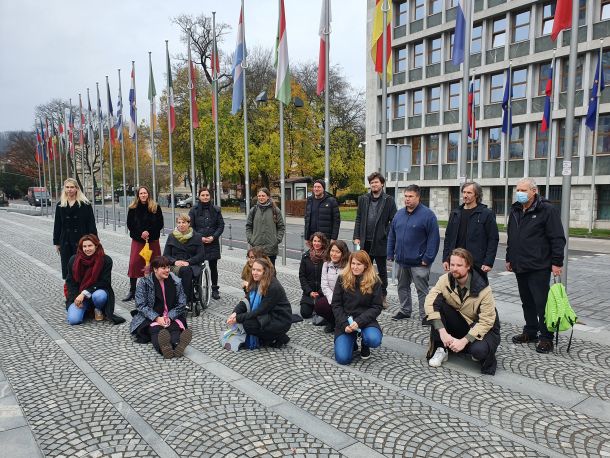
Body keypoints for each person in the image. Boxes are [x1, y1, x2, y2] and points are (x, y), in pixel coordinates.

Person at [506, 177, 566, 354]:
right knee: (527, 302)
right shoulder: (516, 209)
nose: (520, 193)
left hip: (539, 265)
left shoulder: (547, 210)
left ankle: (546, 337)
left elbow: (557, 238)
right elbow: (512, 235)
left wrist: (557, 262)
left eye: (524, 190)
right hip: (520, 264)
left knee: (542, 303)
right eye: (518, 189)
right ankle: (530, 331)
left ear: (534, 191)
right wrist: (510, 257)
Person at [425, 248, 501, 375]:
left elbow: (486, 321)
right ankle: (441, 348)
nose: (454, 268)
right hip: (460, 321)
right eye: (452, 264)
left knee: (478, 351)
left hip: (482, 327)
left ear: (468, 266)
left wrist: (464, 340)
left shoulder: (483, 288)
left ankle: (465, 346)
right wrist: (442, 332)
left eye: (459, 265)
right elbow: (429, 302)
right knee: (437, 306)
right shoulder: (444, 280)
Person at [387, 184, 440, 324]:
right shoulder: (399, 214)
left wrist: (427, 258)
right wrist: (390, 253)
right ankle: (405, 310)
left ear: (418, 197)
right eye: (406, 196)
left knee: (422, 290)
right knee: (402, 287)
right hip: (401, 260)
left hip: (419, 262)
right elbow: (392, 235)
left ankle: (426, 315)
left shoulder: (428, 215)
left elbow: (434, 239)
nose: (407, 199)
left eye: (411, 196)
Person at [129, 256, 192, 359]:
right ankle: (164, 350)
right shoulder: (144, 282)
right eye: (163, 268)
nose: (167, 270)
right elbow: (141, 305)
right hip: (151, 317)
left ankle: (177, 346)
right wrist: (157, 318)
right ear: (155, 269)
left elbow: (182, 303)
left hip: (171, 315)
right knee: (156, 330)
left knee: (174, 328)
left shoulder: (176, 282)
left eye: (168, 267)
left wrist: (169, 317)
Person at [226, 257, 292, 348]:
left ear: (265, 271)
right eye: (253, 269)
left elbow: (260, 311)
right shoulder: (256, 281)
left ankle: (277, 336)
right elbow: (246, 300)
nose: (254, 273)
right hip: (268, 315)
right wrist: (235, 313)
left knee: (248, 325)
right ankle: (270, 337)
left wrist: (238, 318)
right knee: (245, 318)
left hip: (279, 319)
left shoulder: (273, 287)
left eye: (258, 270)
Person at [331, 250, 383, 364]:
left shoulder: (375, 281)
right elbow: (336, 304)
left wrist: (359, 322)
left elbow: (377, 306)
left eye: (359, 264)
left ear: (366, 265)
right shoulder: (342, 278)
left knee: (373, 340)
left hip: (366, 321)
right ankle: (352, 341)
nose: (355, 267)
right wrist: (345, 324)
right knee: (343, 359)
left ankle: (365, 344)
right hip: (346, 321)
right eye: (353, 263)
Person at [353, 172, 397, 301]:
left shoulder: (388, 200)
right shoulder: (363, 199)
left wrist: (384, 232)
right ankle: (364, 294)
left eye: (376, 182)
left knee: (382, 271)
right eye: (372, 183)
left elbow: (393, 220)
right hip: (364, 241)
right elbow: (358, 218)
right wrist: (356, 236)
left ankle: (382, 295)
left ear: (382, 184)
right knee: (364, 269)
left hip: (380, 242)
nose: (374, 184)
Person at [65, 234, 125, 325]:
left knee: (100, 295)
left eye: (90, 246)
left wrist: (84, 293)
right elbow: (70, 282)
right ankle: (87, 309)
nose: (87, 249)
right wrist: (75, 298)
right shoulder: (74, 260)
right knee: (74, 320)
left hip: (96, 291)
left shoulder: (105, 260)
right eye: (84, 246)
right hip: (79, 295)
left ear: (96, 246)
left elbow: (104, 282)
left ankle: (98, 309)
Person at [442, 181, 499, 276]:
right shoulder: (455, 213)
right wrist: (446, 259)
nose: (465, 195)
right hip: (456, 262)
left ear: (476, 195)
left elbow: (493, 239)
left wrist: (488, 262)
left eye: (469, 193)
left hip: (477, 263)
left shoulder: (486, 214)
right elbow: (448, 238)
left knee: (476, 289)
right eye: (464, 192)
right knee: (456, 289)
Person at [124, 186, 164, 301]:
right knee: (134, 263)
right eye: (141, 193)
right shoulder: (133, 208)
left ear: (148, 194)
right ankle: (132, 290)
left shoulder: (156, 207)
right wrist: (141, 233)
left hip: (152, 240)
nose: (143, 195)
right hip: (138, 240)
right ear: (138, 195)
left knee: (155, 264)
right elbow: (130, 225)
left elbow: (160, 224)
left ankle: (157, 288)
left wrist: (149, 232)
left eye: (145, 193)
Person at [53, 178, 97, 279]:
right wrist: (57, 242)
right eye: (67, 187)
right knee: (68, 268)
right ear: (64, 189)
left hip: (82, 241)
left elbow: (91, 224)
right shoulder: (60, 205)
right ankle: (70, 291)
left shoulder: (85, 205)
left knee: (83, 268)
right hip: (66, 241)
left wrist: (95, 241)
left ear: (77, 188)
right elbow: (57, 225)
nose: (69, 189)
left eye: (72, 187)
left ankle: (83, 291)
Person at [189, 187, 225, 299]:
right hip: (199, 243)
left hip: (212, 242)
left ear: (210, 196)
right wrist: (200, 238)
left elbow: (221, 225)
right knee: (197, 266)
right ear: (199, 196)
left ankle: (215, 289)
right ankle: (196, 288)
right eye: (203, 195)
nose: (205, 197)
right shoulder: (193, 210)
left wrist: (214, 237)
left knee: (213, 266)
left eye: (207, 195)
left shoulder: (216, 209)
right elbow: (190, 227)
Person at [163, 214, 205, 306]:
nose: (181, 225)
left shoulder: (197, 237)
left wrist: (188, 262)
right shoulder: (171, 236)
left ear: (189, 224)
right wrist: (175, 261)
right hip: (174, 264)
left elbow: (201, 255)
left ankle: (184, 301)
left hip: (191, 264)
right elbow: (166, 255)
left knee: (185, 270)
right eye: (179, 222)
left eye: (184, 222)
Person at [246, 188, 285, 266]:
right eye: (259, 196)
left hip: (271, 249)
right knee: (257, 272)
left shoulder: (275, 210)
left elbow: (281, 227)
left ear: (268, 197)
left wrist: (276, 240)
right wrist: (251, 239)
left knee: (271, 273)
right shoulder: (253, 210)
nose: (261, 197)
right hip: (256, 248)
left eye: (263, 196)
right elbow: (248, 226)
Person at [319, 240, 350, 333]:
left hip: (345, 297)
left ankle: (341, 323)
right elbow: (324, 285)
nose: (334, 254)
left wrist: (339, 299)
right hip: (331, 296)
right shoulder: (326, 264)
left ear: (343, 253)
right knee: (320, 305)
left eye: (337, 252)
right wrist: (332, 298)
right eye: (332, 251)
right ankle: (332, 322)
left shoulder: (348, 265)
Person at [299, 232, 329, 319]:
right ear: (311, 242)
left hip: (322, 292)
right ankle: (313, 305)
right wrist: (309, 292)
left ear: (323, 242)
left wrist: (320, 292)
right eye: (314, 241)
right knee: (305, 313)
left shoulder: (327, 258)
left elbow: (328, 278)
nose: (316, 243)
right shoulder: (305, 257)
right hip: (309, 292)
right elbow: (302, 276)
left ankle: (317, 306)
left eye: (319, 241)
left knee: (321, 311)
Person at [304, 179, 340, 244]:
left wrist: (334, 238)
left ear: (323, 188)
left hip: (326, 239)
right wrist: (306, 237)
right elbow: (307, 219)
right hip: (313, 238)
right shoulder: (309, 200)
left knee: (325, 254)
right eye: (315, 187)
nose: (316, 189)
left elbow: (336, 221)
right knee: (313, 254)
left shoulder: (331, 201)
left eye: (319, 187)